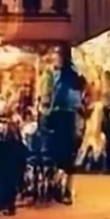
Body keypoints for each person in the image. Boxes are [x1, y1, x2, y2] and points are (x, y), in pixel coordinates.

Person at [42, 44, 86, 205]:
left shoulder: (67, 76)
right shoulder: (61, 75)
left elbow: (69, 98)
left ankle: (63, 189)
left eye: (56, 55)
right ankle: (62, 188)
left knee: (65, 157)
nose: (54, 59)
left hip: (65, 118)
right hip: (64, 118)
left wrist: (51, 109)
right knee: (63, 157)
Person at [0, 107, 27, 215]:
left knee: (2, 182)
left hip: (3, 159)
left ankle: (2, 205)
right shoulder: (13, 127)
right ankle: (8, 205)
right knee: (9, 183)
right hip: (11, 159)